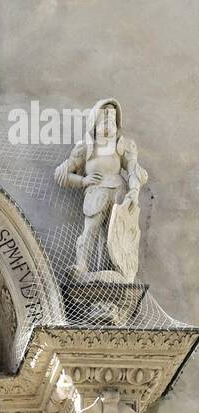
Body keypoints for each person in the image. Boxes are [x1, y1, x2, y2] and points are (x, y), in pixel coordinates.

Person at [54, 98, 147, 281]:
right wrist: (83, 181)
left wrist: (134, 191)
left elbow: (134, 170)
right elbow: (61, 174)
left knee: (114, 233)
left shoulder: (123, 145)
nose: (108, 122)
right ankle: (82, 265)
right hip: (96, 192)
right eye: (104, 117)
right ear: (95, 120)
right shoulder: (87, 146)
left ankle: (114, 269)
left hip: (119, 192)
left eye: (112, 118)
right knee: (90, 230)